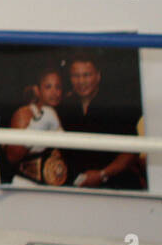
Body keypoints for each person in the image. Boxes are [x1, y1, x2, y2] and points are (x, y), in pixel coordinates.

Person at [58, 53, 144, 190]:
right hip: (76, 187)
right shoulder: (64, 107)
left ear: (98, 76)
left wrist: (102, 174)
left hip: (116, 184)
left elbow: (131, 152)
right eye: (76, 76)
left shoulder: (115, 105)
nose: (81, 81)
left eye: (86, 75)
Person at [3, 68, 67, 186]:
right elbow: (12, 156)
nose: (54, 92)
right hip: (26, 185)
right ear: (37, 90)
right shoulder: (25, 114)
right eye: (48, 87)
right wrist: (37, 126)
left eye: (58, 87)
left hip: (53, 187)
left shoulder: (62, 116)